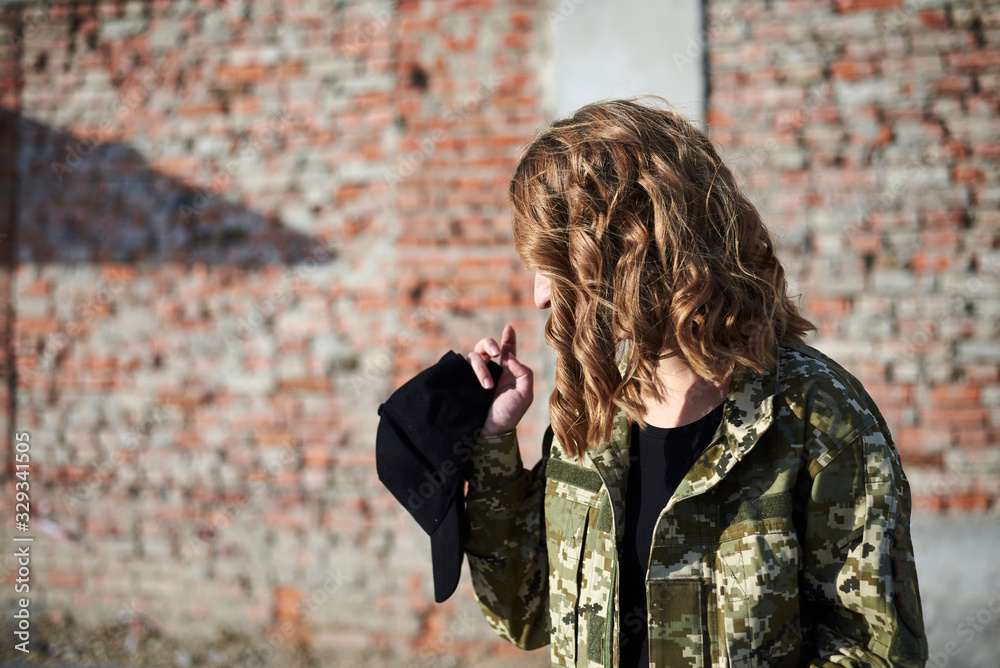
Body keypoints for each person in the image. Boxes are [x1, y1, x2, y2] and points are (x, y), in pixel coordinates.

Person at [460, 98, 928, 667]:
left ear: (634, 252)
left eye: (556, 266)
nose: (539, 295)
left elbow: (878, 652)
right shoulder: (595, 415)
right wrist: (493, 448)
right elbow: (525, 612)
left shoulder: (818, 417)